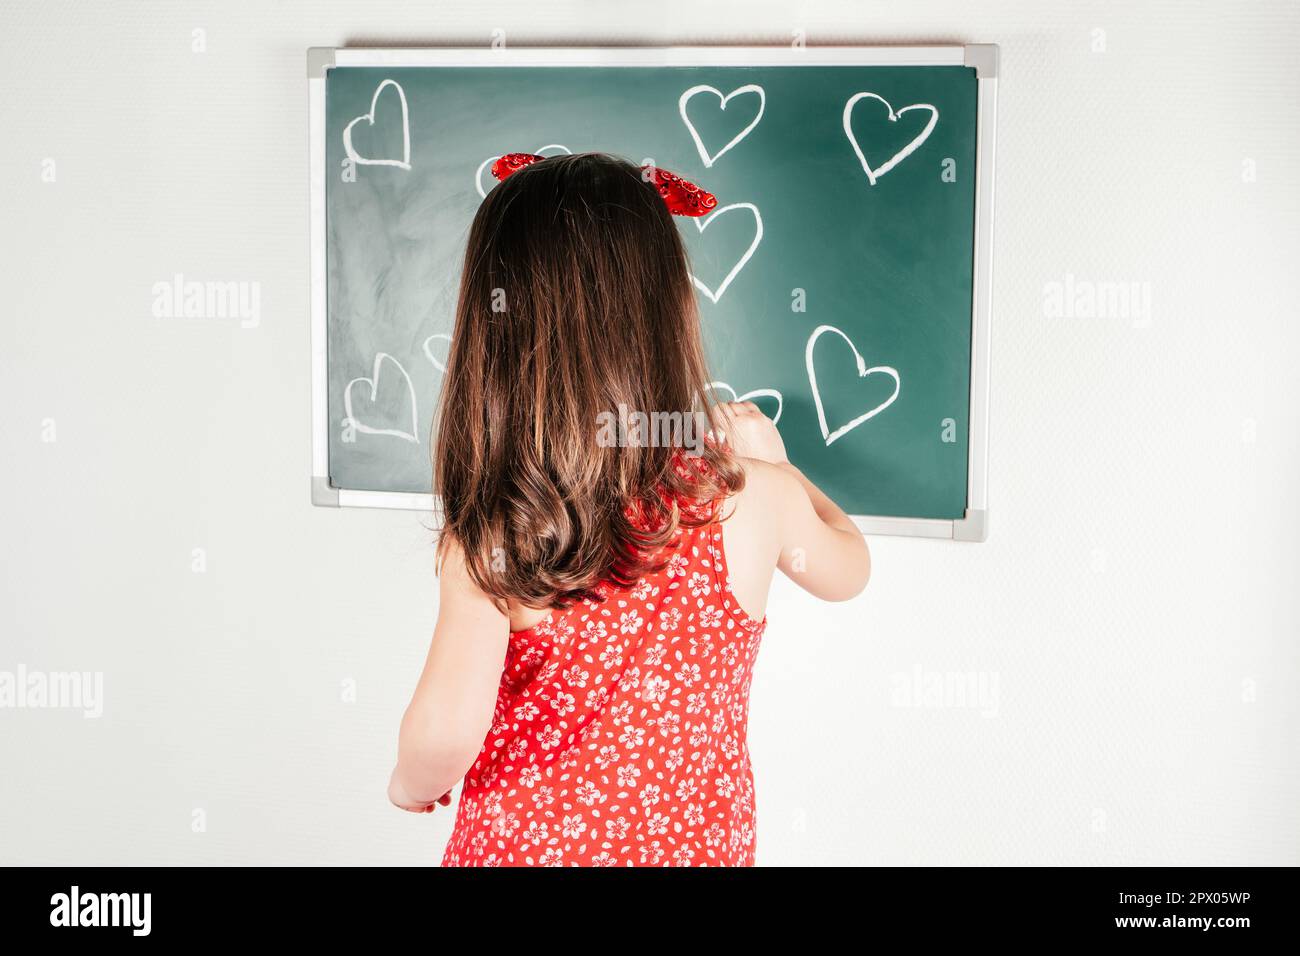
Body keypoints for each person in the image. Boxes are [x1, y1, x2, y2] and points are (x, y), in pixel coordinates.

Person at [387, 152, 871, 866]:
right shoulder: (750, 498)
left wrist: (408, 784)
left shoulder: (498, 530)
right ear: (667, 310)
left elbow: (445, 734)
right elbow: (848, 567)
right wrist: (779, 465)